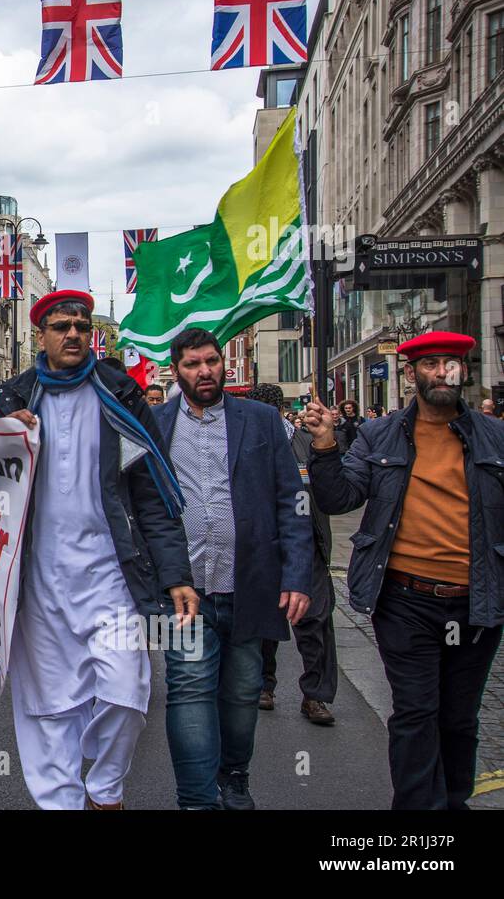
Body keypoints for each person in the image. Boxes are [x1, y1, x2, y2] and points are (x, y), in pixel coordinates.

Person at [0, 290, 195, 810]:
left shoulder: (120, 398)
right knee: (48, 706)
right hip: (38, 581)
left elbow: (152, 495)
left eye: (81, 326)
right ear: (42, 336)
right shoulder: (13, 401)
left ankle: (105, 790)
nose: (74, 334)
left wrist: (175, 575)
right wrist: (3, 438)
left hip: (111, 575)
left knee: (127, 690)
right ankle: (60, 801)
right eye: (61, 326)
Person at [305, 332, 504, 810]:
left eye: (450, 364)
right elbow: (339, 499)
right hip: (404, 600)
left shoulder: (495, 436)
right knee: (415, 712)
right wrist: (326, 446)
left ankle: (453, 803)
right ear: (411, 374)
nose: (441, 373)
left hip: (474, 602)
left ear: (463, 371)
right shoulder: (380, 434)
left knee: (458, 718)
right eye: (430, 364)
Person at [152, 329, 312, 810]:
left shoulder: (261, 420)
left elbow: (292, 501)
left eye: (211, 361)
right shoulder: (155, 424)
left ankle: (234, 778)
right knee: (189, 693)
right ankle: (197, 801)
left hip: (249, 584)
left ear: (223, 364)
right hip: (184, 594)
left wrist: (297, 575)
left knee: (242, 696)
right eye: (192, 364)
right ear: (176, 371)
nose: (205, 371)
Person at [245, 384, 338, 726]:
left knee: (314, 620)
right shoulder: (241, 445)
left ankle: (315, 695)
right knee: (264, 620)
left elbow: (328, 488)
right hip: (261, 545)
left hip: (306, 541)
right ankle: (263, 685)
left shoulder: (305, 442)